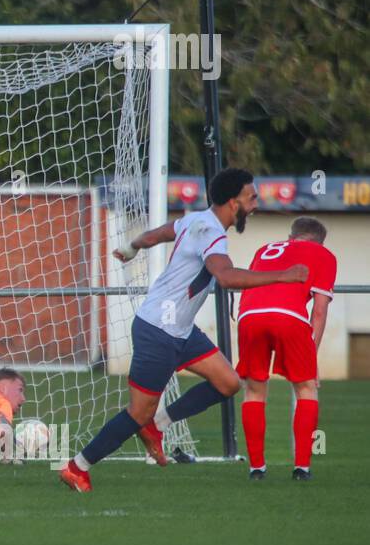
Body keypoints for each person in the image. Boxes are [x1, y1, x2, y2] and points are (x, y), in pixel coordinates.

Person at [60, 167, 307, 492]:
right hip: (158, 331)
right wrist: (283, 275)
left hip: (180, 331)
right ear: (233, 203)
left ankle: (157, 425)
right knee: (137, 411)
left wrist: (134, 246)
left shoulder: (195, 219)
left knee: (228, 383)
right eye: (251, 198)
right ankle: (78, 466)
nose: (255, 204)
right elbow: (226, 277)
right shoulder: (211, 234)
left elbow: (157, 234)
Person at [236, 217, 337, 481]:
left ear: (292, 236)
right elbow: (319, 310)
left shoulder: (264, 249)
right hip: (288, 316)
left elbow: (247, 286)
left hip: (249, 315)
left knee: (254, 390)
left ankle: (256, 469)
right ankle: (301, 468)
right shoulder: (324, 254)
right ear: (319, 241)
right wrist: (311, 361)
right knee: (306, 387)